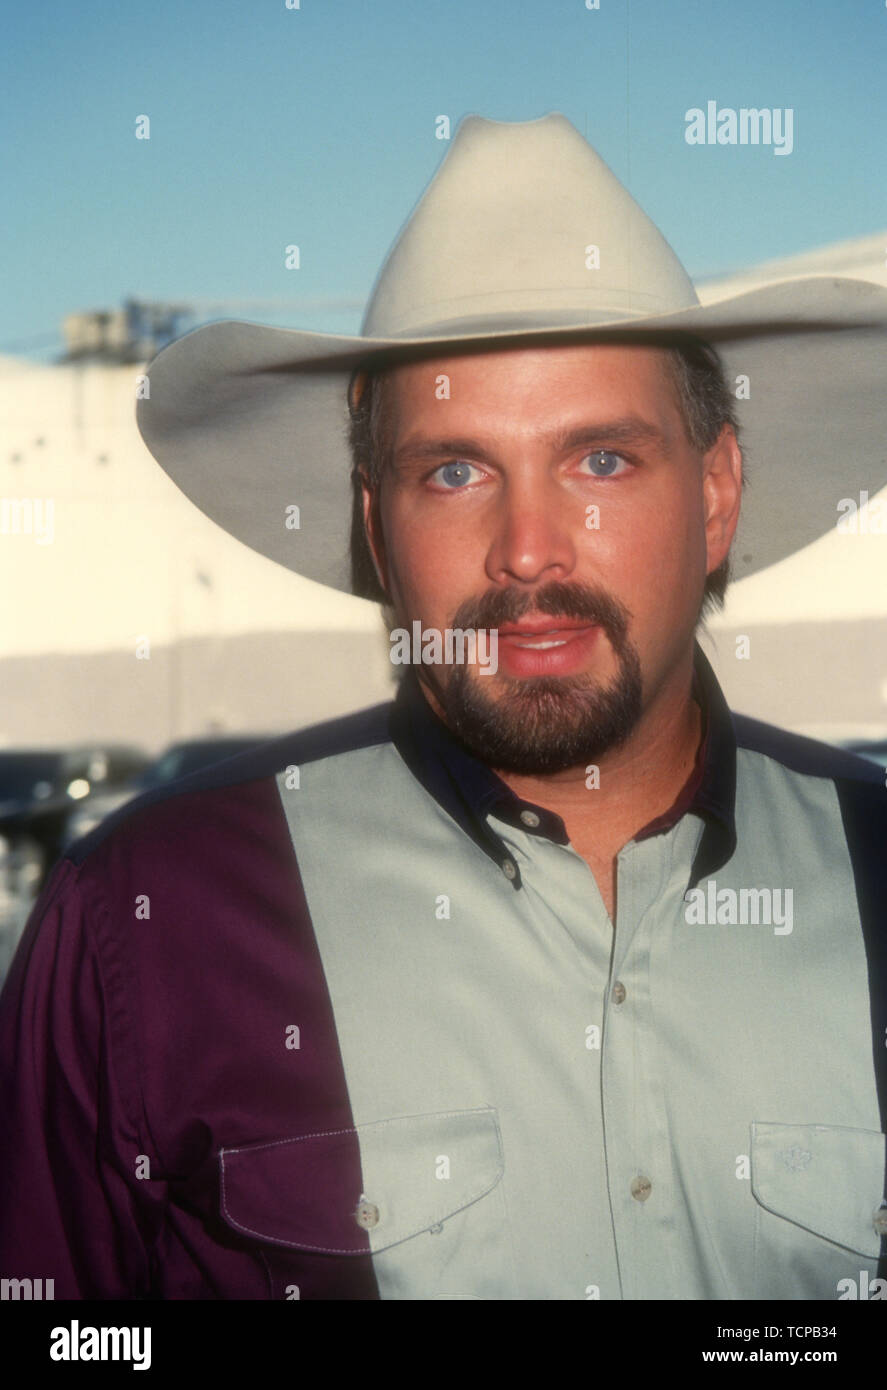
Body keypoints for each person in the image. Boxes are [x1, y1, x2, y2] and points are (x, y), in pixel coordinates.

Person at [1, 113, 886, 1301]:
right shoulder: (145, 927)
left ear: (715, 492)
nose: (527, 552)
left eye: (601, 461)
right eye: (454, 470)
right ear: (375, 525)